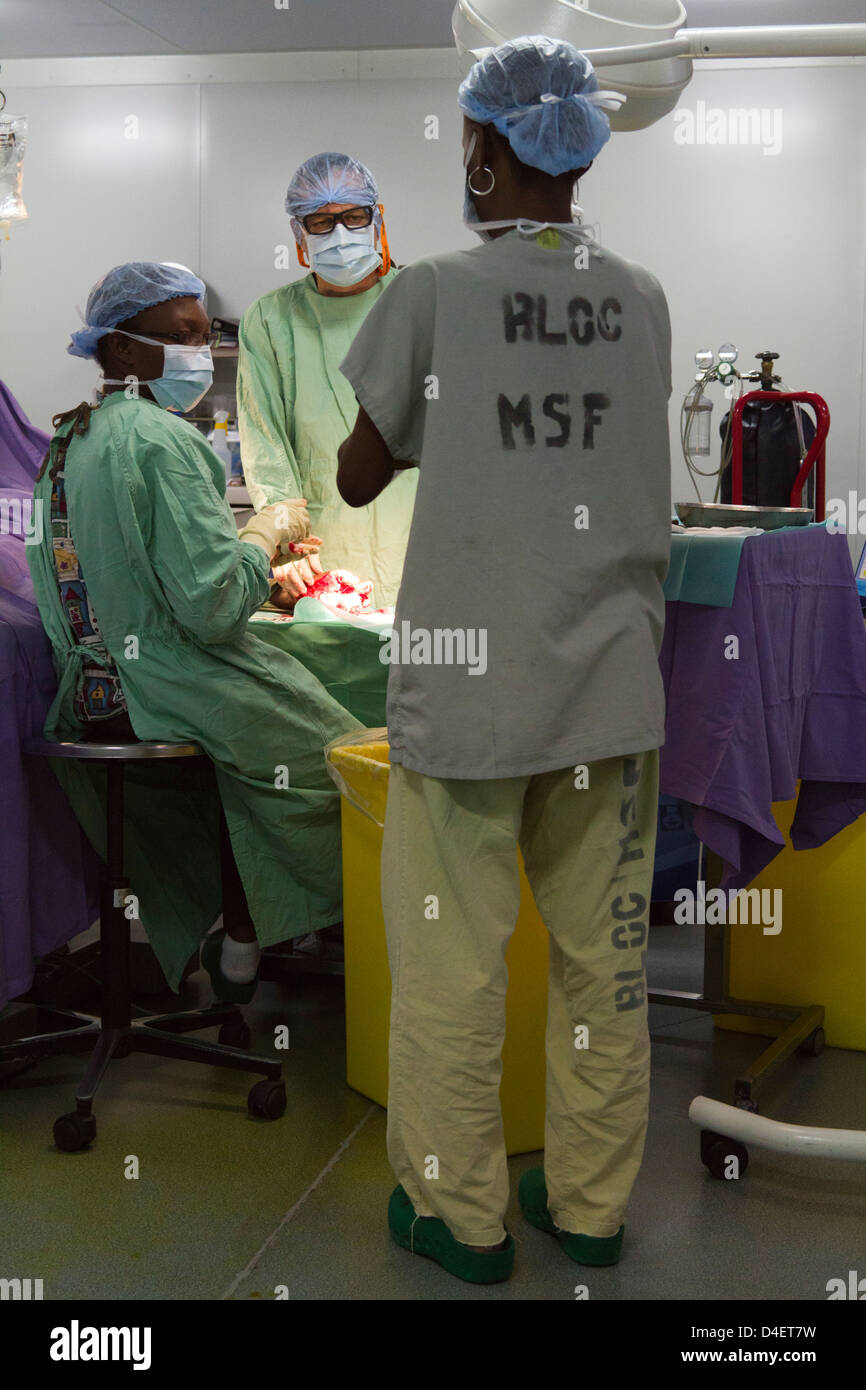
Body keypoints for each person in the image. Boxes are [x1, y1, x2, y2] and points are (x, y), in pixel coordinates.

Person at [336, 37, 673, 1284]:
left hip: (471, 693)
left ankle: (458, 1215)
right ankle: (587, 1206)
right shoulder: (640, 294)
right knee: (605, 970)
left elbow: (356, 473)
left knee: (450, 965)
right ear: (579, 149)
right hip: (609, 693)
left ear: (481, 147)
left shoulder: (429, 288)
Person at [28, 262, 362, 999]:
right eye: (178, 336)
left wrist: (257, 572)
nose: (198, 352)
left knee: (253, 778)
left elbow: (125, 577)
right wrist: (267, 532)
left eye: (205, 336)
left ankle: (242, 939)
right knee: (349, 761)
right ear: (119, 349)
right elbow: (212, 608)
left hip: (93, 698)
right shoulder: (161, 441)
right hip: (167, 689)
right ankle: (286, 941)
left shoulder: (70, 440)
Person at [237, 152, 417, 608]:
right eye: (321, 222)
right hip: (319, 555)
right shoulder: (271, 319)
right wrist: (286, 537)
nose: (340, 234)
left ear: (377, 221)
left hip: (419, 539)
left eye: (354, 217)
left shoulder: (418, 300)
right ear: (299, 233)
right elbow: (265, 440)